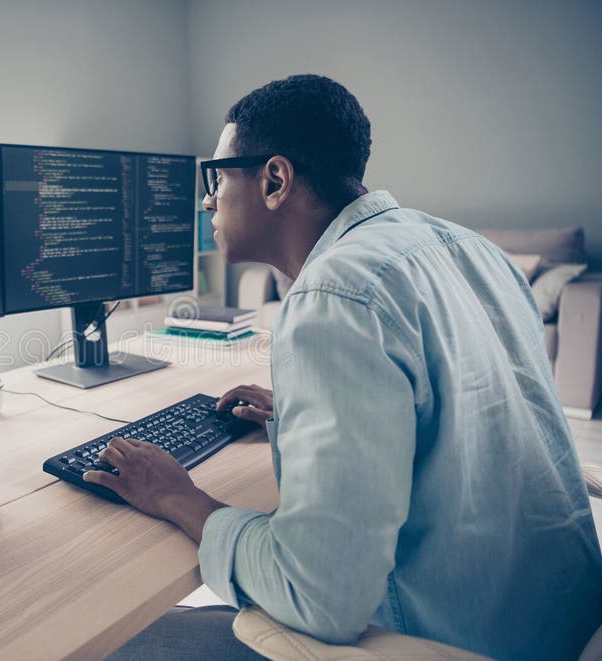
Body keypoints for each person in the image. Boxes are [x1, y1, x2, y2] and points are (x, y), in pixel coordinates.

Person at [89, 74, 602, 660]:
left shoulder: (335, 295)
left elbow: (317, 597)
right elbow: (468, 404)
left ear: (274, 180)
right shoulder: (466, 246)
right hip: (562, 617)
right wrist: (316, 410)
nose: (207, 200)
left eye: (217, 178)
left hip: (457, 641)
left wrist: (179, 496)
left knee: (127, 640)